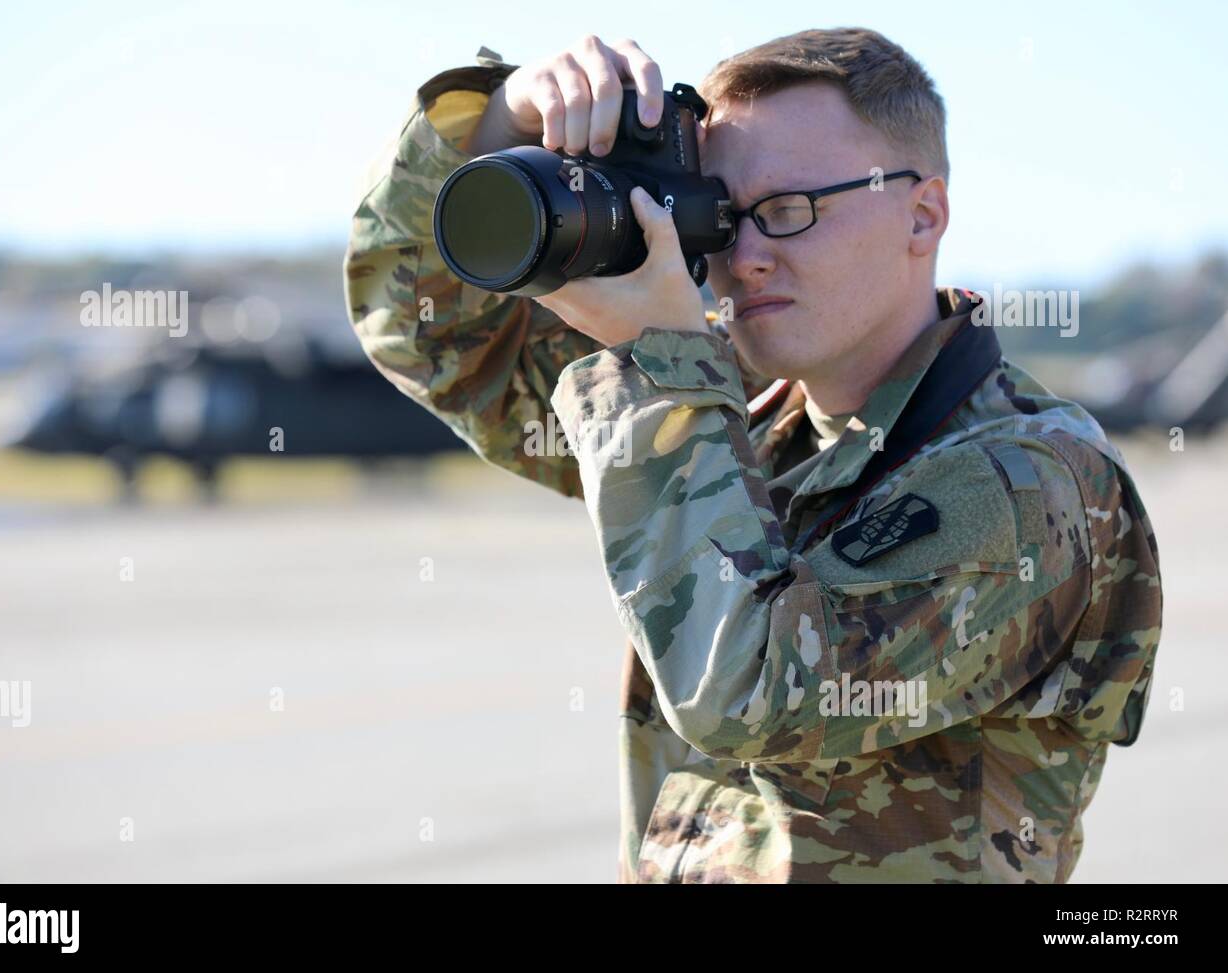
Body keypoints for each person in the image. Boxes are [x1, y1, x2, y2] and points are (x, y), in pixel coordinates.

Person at [343, 29, 1163, 883]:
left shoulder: (1033, 478)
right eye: (723, 216)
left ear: (923, 215)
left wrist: (664, 362)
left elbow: (746, 692)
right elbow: (428, 337)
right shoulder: (744, 420)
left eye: (788, 210)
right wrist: (501, 115)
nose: (742, 258)